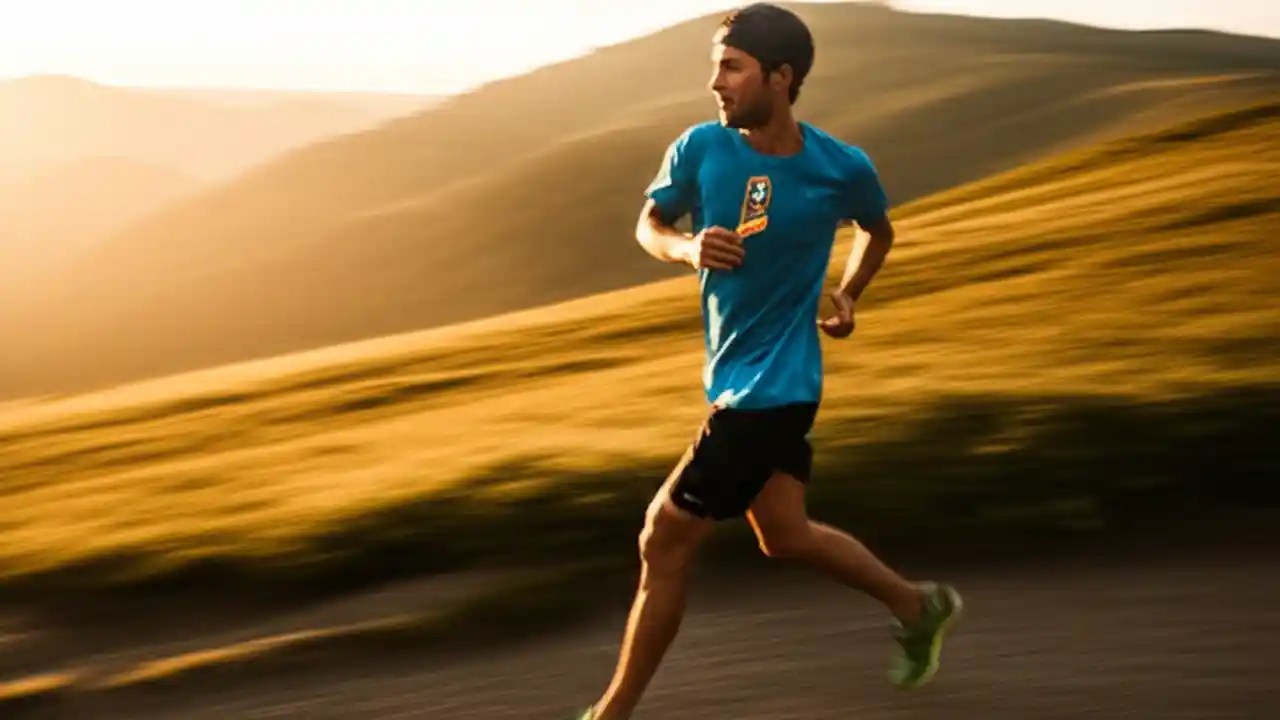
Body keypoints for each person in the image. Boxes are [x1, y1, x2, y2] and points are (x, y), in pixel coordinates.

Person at [572, 5, 961, 719]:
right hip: (744, 381)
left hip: (771, 391)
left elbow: (878, 231)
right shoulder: (700, 148)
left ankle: (611, 713)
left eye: (732, 67)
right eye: (715, 67)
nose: (715, 83)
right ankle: (919, 606)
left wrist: (846, 294)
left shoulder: (840, 166)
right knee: (784, 535)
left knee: (662, 538)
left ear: (781, 79)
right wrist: (688, 249)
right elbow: (649, 225)